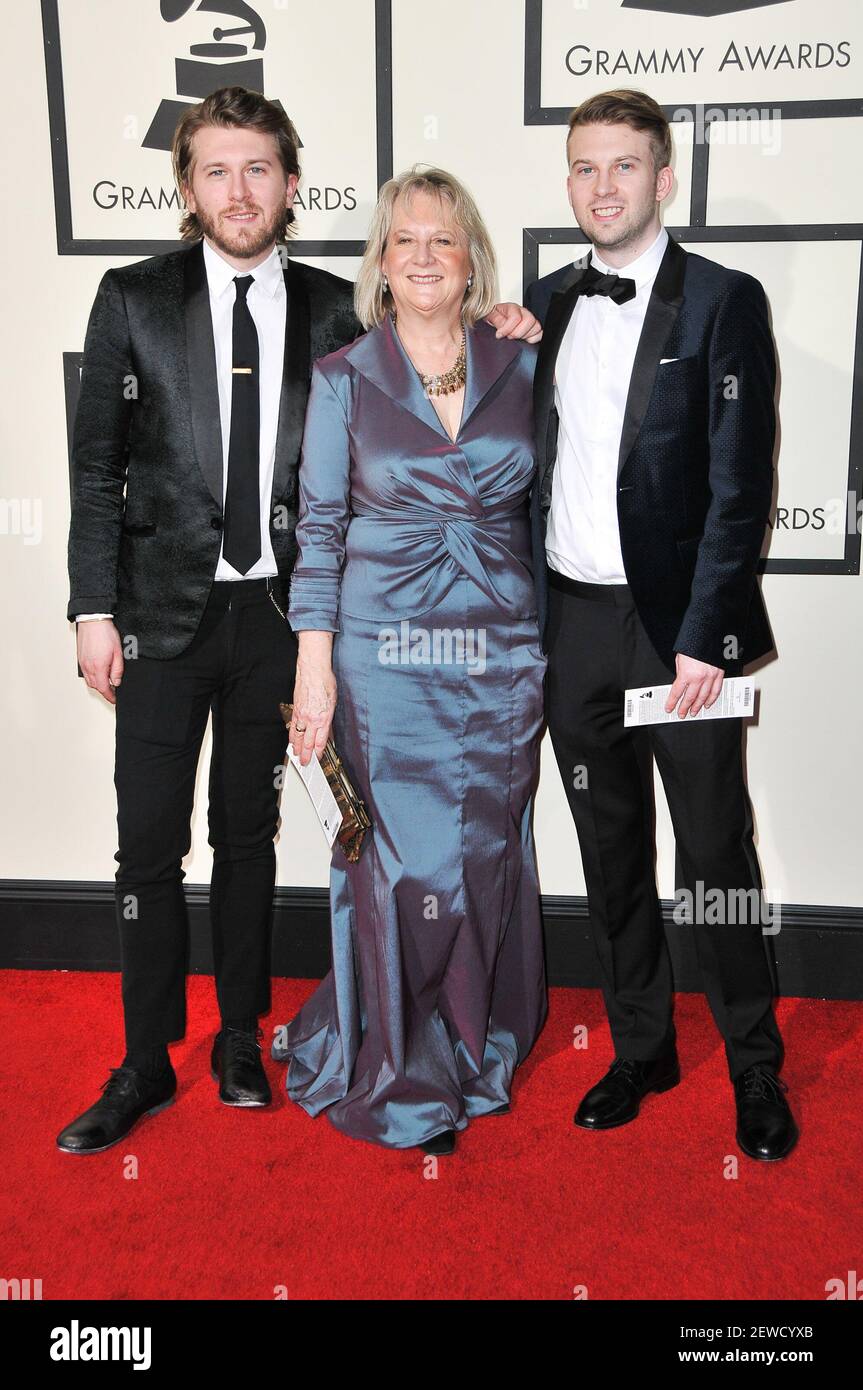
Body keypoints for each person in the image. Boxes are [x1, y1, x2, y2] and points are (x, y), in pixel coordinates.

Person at [59, 87, 538, 1156]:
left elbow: (432, 352)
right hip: (157, 620)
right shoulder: (131, 297)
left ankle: (237, 1037)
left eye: (259, 169)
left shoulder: (336, 309)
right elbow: (94, 469)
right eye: (217, 170)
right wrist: (94, 608)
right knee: (147, 849)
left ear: (290, 184)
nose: (239, 190)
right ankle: (142, 1060)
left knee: (248, 836)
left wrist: (506, 318)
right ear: (188, 186)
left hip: (287, 622)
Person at [526, 88, 798, 1162]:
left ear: (663, 176)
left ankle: (752, 1063)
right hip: (570, 623)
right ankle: (640, 1042)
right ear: (569, 182)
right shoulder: (542, 302)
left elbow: (741, 489)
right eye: (584, 168)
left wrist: (705, 631)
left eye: (623, 166)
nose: (602, 186)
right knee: (607, 846)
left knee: (713, 852)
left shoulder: (723, 301)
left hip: (679, 631)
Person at [272, 167, 548, 1155]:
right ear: (380, 262)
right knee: (397, 861)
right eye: (404, 239)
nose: (424, 255)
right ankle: (392, 1067)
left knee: (481, 849)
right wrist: (316, 668)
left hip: (504, 652)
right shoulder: (346, 376)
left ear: (468, 254)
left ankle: (470, 1041)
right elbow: (319, 527)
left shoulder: (517, 362)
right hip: (384, 659)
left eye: (443, 237)